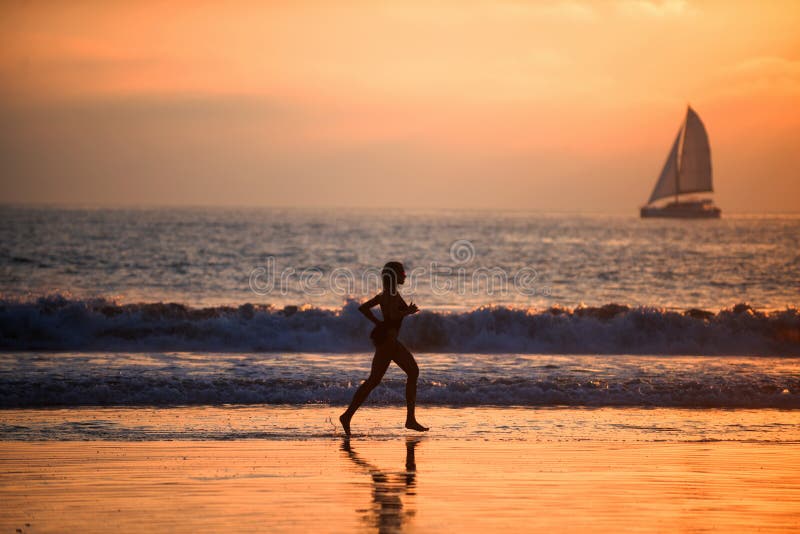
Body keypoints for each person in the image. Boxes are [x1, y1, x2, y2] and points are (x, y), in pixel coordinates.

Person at [340, 261, 429, 436]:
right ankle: (347, 416)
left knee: (409, 373)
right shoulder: (392, 293)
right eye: (402, 273)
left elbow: (363, 308)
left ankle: (409, 419)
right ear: (394, 276)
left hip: (390, 342)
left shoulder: (385, 294)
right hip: (388, 343)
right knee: (376, 380)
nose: (404, 275)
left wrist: (378, 323)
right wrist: (407, 312)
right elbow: (393, 314)